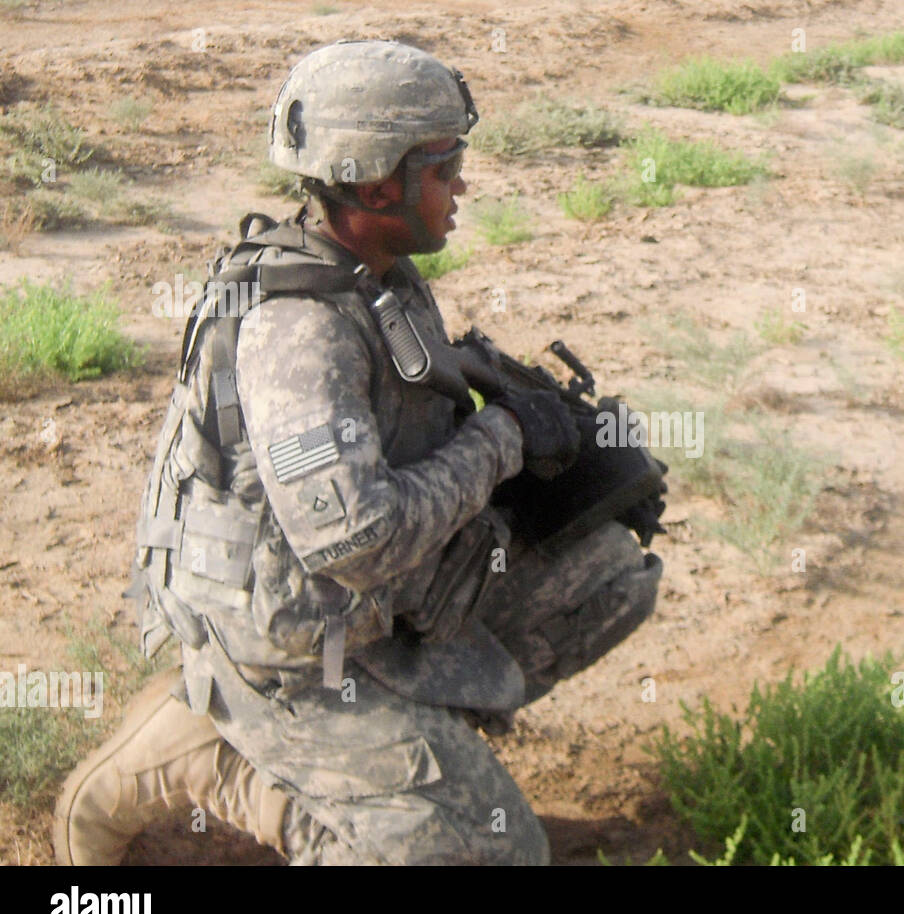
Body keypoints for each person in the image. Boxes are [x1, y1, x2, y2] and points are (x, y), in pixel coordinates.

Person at [53, 39, 663, 866]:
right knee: (497, 855)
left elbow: (401, 430)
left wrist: (515, 414)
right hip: (289, 653)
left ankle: (407, 751)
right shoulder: (300, 332)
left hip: (363, 619)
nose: (462, 187)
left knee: (605, 580)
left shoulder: (378, 276)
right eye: (445, 169)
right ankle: (228, 757)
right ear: (379, 183)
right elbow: (356, 539)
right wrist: (504, 440)